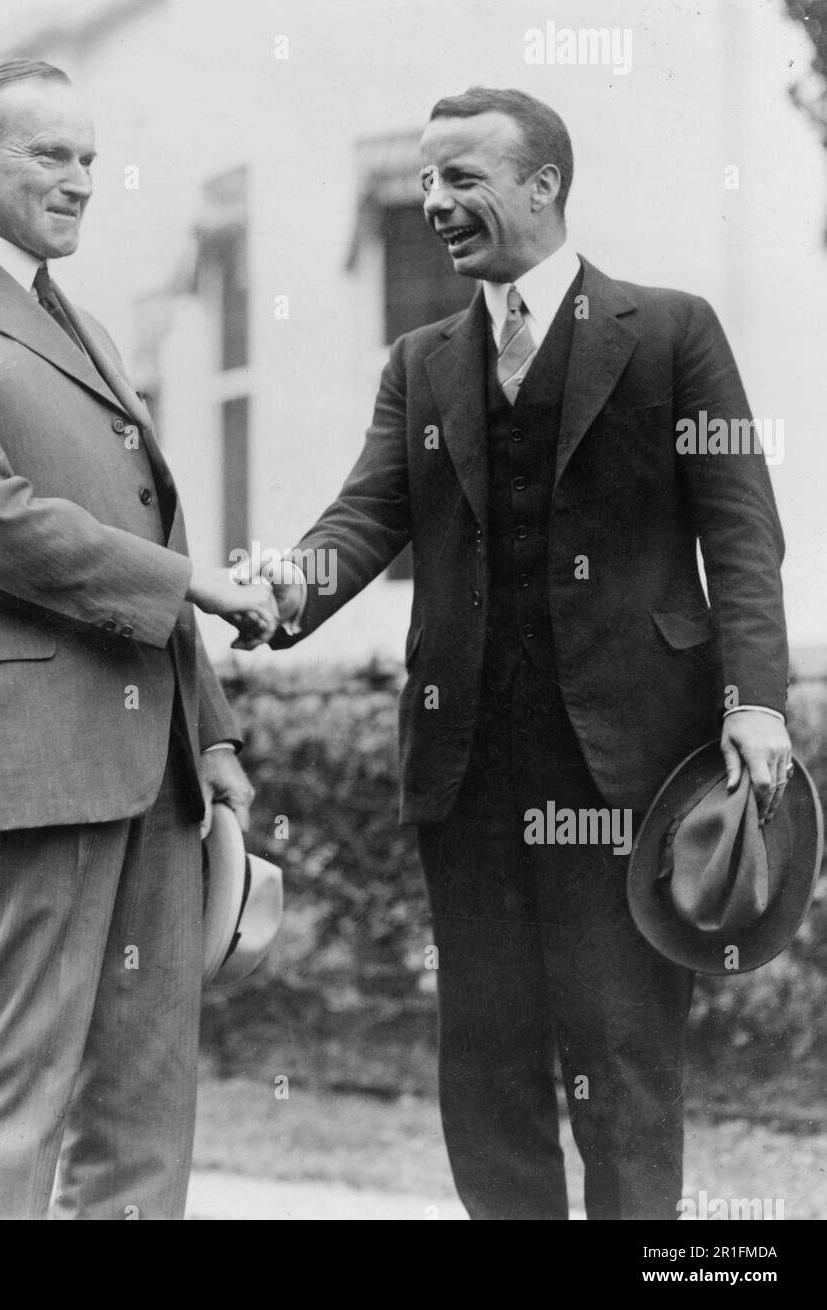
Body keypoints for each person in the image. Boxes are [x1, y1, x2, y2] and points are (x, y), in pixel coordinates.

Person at [234, 87, 791, 1220]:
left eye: (460, 178)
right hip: (469, 772)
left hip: (629, 774)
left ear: (543, 185)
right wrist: (277, 593)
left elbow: (740, 532)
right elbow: (362, 519)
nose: (433, 201)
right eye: (426, 179)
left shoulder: (670, 332)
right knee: (484, 1068)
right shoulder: (422, 362)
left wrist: (757, 702)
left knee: (622, 1059)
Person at [0, 57, 278, 1220]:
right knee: (13, 1099)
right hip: (29, 766)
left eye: (90, 156)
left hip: (157, 771)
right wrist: (201, 587)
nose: (82, 179)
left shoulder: (81, 323)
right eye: (52, 154)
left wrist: (219, 744)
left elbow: (144, 526)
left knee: (145, 1112)